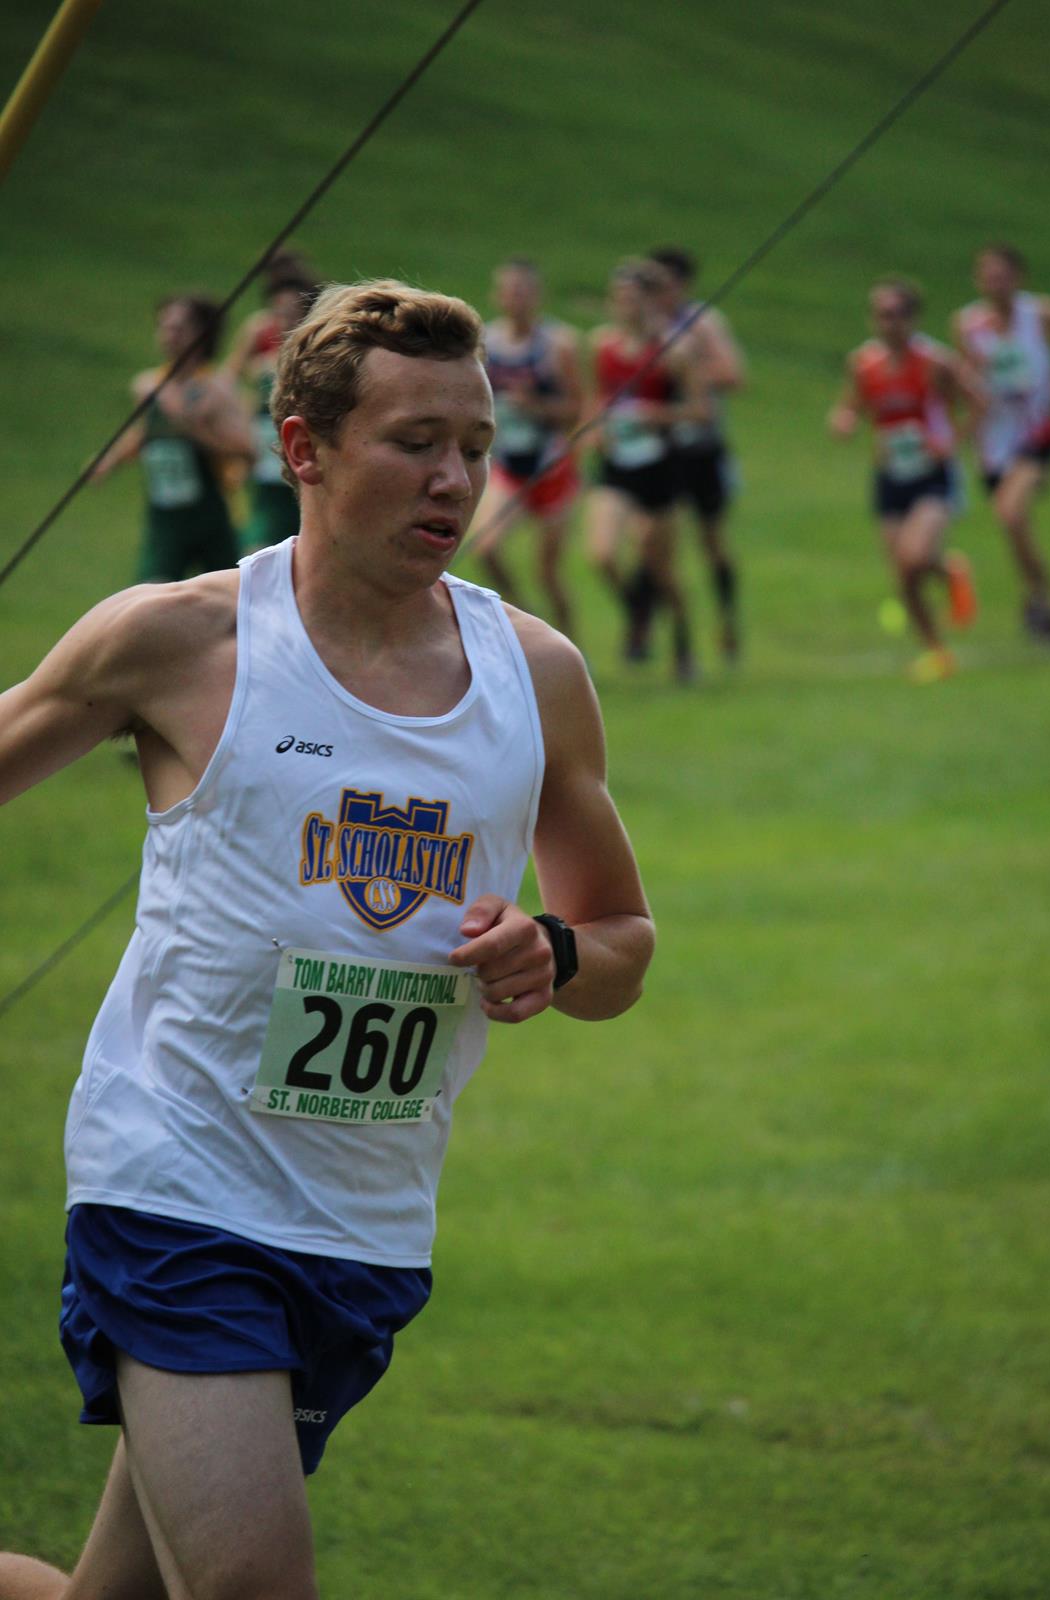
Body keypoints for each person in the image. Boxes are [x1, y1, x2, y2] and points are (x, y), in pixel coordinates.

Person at [0, 279, 654, 1599]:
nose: (454, 478)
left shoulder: (534, 675)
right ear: (303, 447)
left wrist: (553, 951)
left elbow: (621, 940)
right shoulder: (178, 639)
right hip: (174, 1187)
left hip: (365, 1221)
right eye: (414, 442)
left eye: (473, 445)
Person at [829, 276, 981, 683]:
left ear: (913, 318)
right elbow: (852, 406)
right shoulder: (864, 363)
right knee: (904, 573)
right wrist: (843, 421)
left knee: (913, 558)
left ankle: (945, 574)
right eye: (881, 315)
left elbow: (978, 403)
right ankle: (936, 649)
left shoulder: (936, 362)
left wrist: (950, 443)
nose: (888, 323)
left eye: (896, 315)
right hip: (890, 475)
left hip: (932, 475)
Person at [586, 259, 712, 679]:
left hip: (661, 468)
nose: (624, 307)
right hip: (616, 464)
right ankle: (638, 614)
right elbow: (597, 397)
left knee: (660, 568)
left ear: (652, 302)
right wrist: (595, 429)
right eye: (618, 298)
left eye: (633, 299)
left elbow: (701, 411)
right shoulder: (601, 344)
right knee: (602, 553)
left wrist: (655, 414)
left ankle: (683, 642)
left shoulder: (675, 350)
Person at [92, 294, 256, 581]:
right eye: (164, 327)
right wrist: (108, 462)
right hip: (164, 516)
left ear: (202, 333)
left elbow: (247, 450)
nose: (168, 335)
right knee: (150, 591)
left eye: (178, 328)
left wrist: (197, 433)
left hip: (211, 515)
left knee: (229, 590)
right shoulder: (147, 387)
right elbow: (145, 434)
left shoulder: (217, 389)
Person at [952, 243, 1050, 641]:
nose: (994, 283)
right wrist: (971, 398)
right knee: (1013, 525)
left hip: (1036, 429)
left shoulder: (1042, 313)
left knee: (1011, 513)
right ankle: (1040, 597)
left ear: (1018, 277)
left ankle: (1042, 598)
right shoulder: (967, 324)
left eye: (1001, 276)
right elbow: (966, 374)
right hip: (995, 438)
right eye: (987, 276)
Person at [465, 258, 583, 637]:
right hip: (509, 463)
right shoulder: (486, 343)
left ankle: (570, 645)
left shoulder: (558, 344)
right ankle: (527, 624)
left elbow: (577, 409)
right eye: (509, 291)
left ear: (537, 295)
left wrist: (536, 406)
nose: (515, 299)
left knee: (548, 572)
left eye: (523, 291)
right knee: (485, 546)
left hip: (551, 465)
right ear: (497, 296)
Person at [648, 247, 746, 661]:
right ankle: (666, 634)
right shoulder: (644, 326)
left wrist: (688, 369)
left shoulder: (702, 322)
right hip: (661, 449)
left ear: (682, 285)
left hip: (701, 447)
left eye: (666, 284)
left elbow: (734, 374)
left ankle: (727, 618)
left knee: (711, 541)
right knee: (655, 545)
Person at [225, 252, 319, 552]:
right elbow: (229, 379)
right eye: (279, 313)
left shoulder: (318, 354)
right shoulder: (259, 332)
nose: (284, 321)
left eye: (292, 313)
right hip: (266, 446)